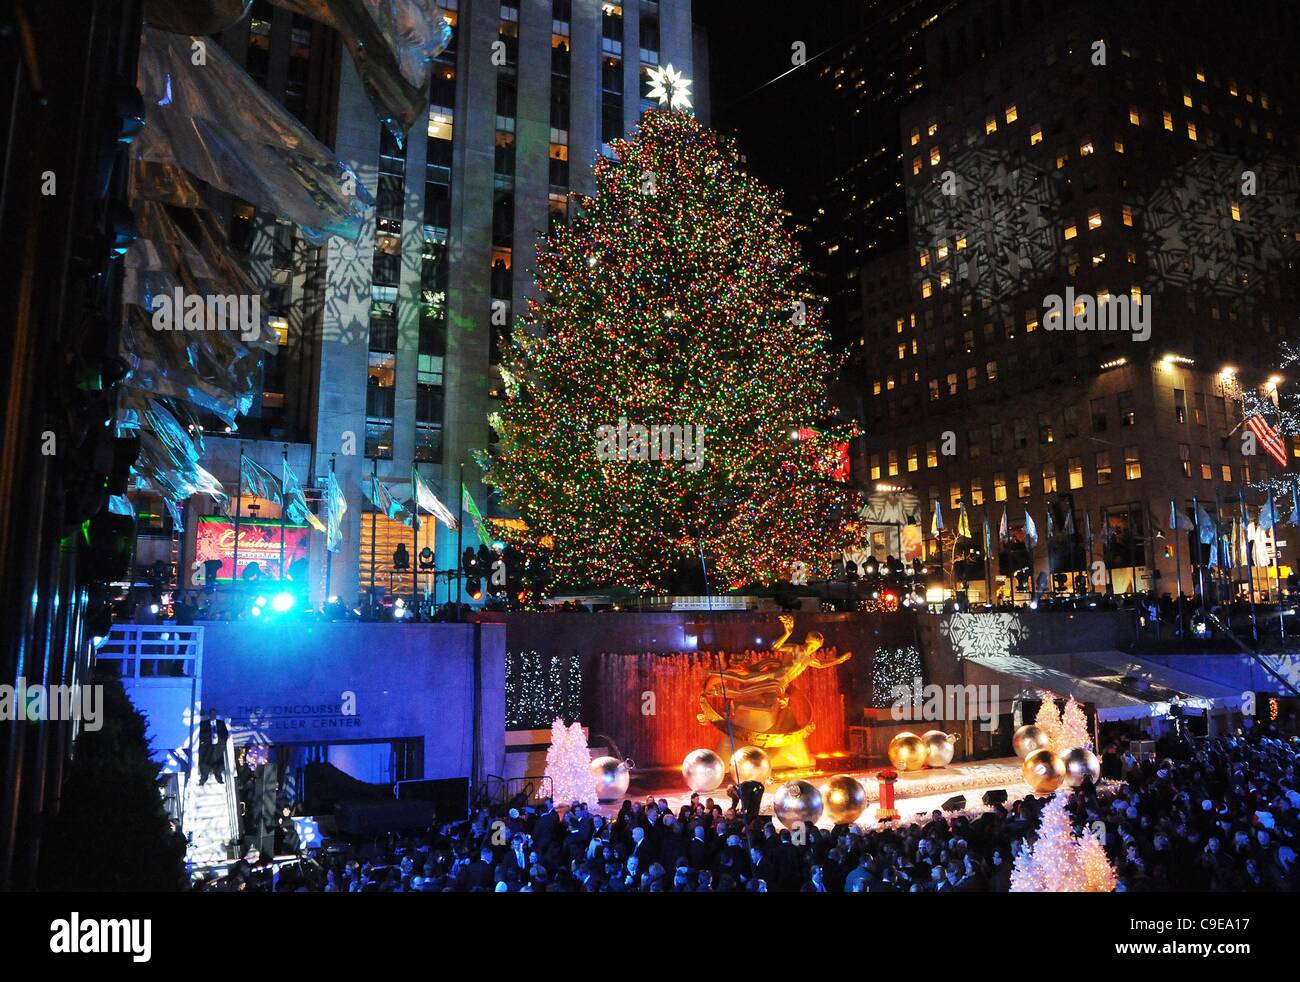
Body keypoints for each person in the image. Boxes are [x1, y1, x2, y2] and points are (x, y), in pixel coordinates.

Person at [198, 708, 229, 785]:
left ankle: (218, 778)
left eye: (214, 714)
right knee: (205, 764)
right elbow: (201, 734)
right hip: (207, 746)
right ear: (209, 715)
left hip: (218, 747)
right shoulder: (204, 723)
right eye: (211, 714)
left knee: (218, 763)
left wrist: (222, 742)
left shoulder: (220, 723)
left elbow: (225, 733)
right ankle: (203, 779)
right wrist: (210, 733)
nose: (213, 715)